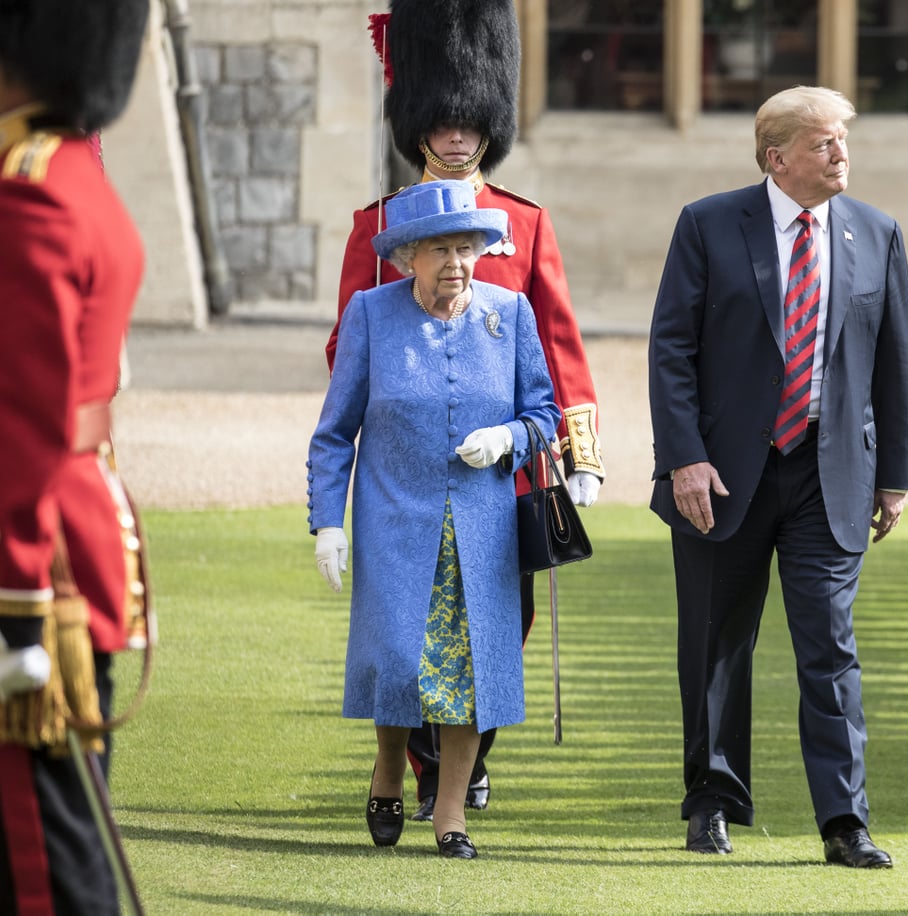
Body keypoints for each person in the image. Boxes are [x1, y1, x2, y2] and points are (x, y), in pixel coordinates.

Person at [326, 0, 606, 821]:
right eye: (442, 122)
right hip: (408, 464)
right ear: (418, 125)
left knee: (499, 617)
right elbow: (348, 345)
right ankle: (424, 761)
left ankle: (465, 755)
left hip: (505, 457)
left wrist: (578, 451)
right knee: (401, 618)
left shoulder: (523, 222)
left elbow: (558, 342)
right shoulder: (376, 226)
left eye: (470, 122)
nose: (457, 137)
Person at [648, 85, 908, 868]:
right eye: (825, 142)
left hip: (828, 478)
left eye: (843, 140)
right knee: (715, 644)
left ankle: (844, 822)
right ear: (777, 157)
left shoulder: (877, 232)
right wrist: (684, 458)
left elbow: (894, 365)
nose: (842, 155)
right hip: (722, 476)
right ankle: (712, 803)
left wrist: (893, 475)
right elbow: (672, 351)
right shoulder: (706, 225)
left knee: (829, 649)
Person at [307, 180, 561, 859]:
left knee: (470, 672)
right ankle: (388, 768)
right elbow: (335, 433)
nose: (457, 262)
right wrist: (327, 522)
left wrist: (509, 439)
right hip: (394, 519)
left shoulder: (511, 312)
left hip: (482, 529)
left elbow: (544, 415)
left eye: (468, 247)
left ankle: (452, 815)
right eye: (441, 249)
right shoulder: (370, 314)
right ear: (408, 257)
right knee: (398, 662)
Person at [0, 0, 149, 911]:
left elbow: (22, 421)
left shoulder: (28, 191)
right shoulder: (74, 177)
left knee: (44, 860)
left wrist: (14, 602)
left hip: (30, 563)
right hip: (70, 541)